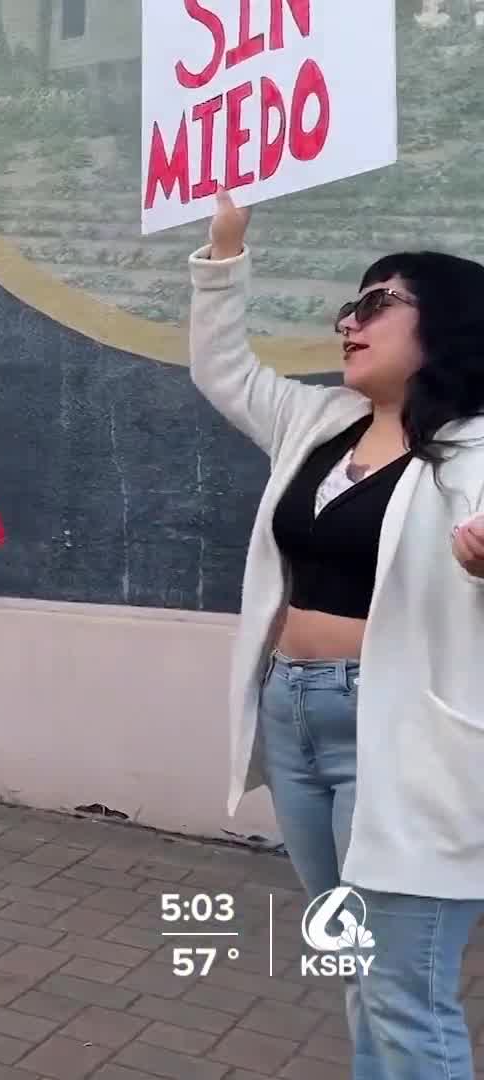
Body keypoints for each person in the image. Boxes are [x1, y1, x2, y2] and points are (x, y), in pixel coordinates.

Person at [191, 190, 484, 1079]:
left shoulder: (476, 452)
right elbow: (222, 369)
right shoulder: (318, 423)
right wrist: (224, 253)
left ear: (447, 323)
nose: (349, 321)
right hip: (296, 718)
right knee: (356, 960)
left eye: (377, 303)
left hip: (401, 733)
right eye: (350, 304)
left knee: (405, 992)